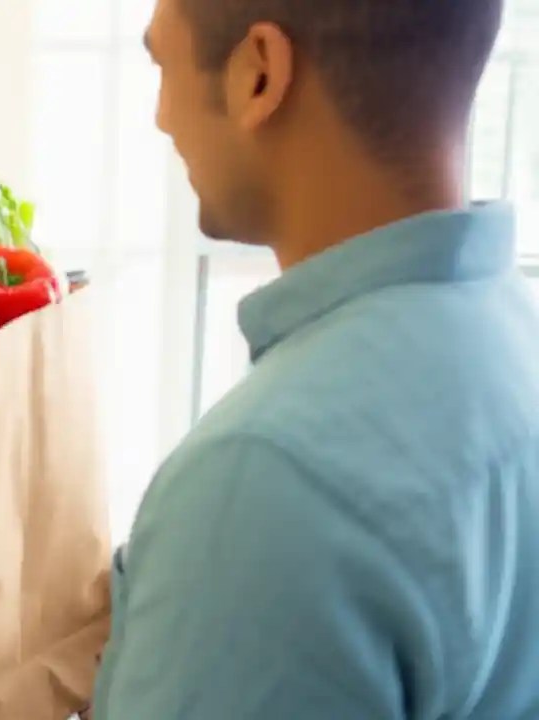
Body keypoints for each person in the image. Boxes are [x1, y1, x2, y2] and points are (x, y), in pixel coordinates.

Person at [93, 0, 539, 718]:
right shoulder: (511, 335)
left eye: (163, 66)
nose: (160, 117)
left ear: (260, 75)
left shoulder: (265, 477)